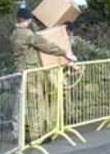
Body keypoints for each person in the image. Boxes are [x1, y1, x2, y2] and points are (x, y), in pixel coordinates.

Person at [11, 8, 77, 143]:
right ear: (28, 20)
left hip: (20, 71)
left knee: (20, 104)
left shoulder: (14, 34)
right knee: (35, 103)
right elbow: (44, 44)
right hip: (31, 72)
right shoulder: (27, 34)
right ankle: (37, 135)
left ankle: (17, 134)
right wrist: (64, 52)